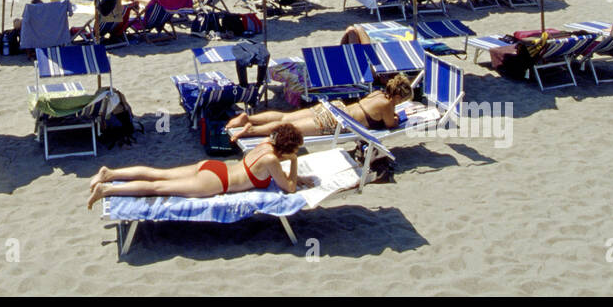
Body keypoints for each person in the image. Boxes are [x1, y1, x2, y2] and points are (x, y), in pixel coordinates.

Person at [87, 123, 307, 209]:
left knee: (158, 174)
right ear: (287, 148)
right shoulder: (271, 160)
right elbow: (289, 188)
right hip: (216, 182)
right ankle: (108, 189)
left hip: (214, 167)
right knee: (158, 188)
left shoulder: (265, 145)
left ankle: (110, 173)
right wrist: (295, 162)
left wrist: (293, 172)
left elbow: (277, 173)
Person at [225, 74, 414, 140]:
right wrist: (397, 118)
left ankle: (248, 118)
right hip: (336, 121)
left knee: (285, 117)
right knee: (289, 129)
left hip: (335, 107)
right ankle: (252, 130)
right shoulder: (388, 104)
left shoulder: (378, 94)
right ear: (397, 96)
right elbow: (390, 124)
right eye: (402, 100)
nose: (400, 103)